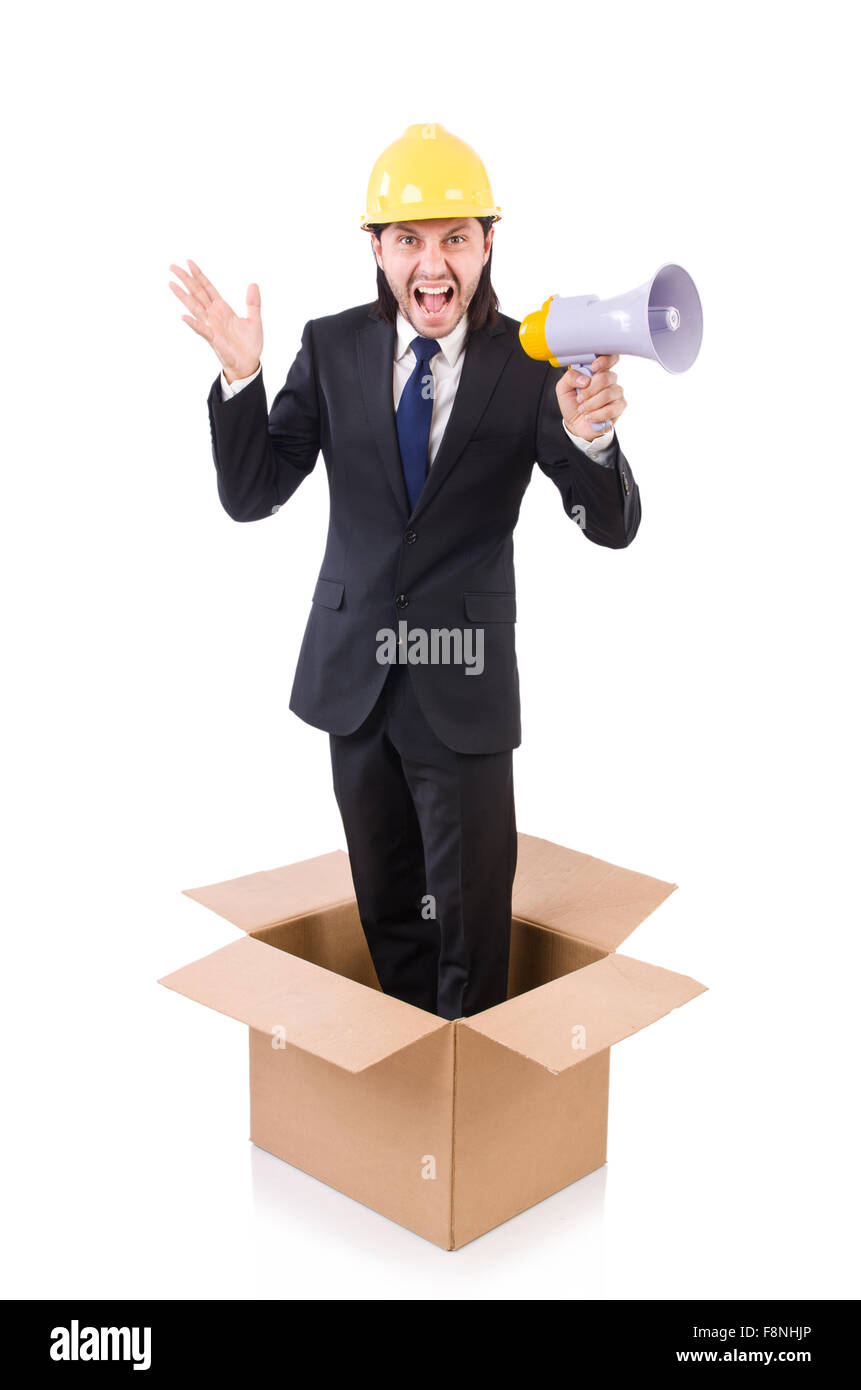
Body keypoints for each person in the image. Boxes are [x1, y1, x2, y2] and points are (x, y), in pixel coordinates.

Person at [168, 122, 640, 1021]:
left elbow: (609, 526)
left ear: (488, 243)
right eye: (409, 240)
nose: (433, 265)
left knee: (469, 927)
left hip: (462, 689)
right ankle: (410, 1085)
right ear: (376, 249)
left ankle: (470, 1108)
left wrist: (593, 437)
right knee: (389, 911)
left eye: (455, 238)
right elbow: (254, 492)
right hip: (355, 681)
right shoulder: (333, 347)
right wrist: (241, 380)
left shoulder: (530, 363)